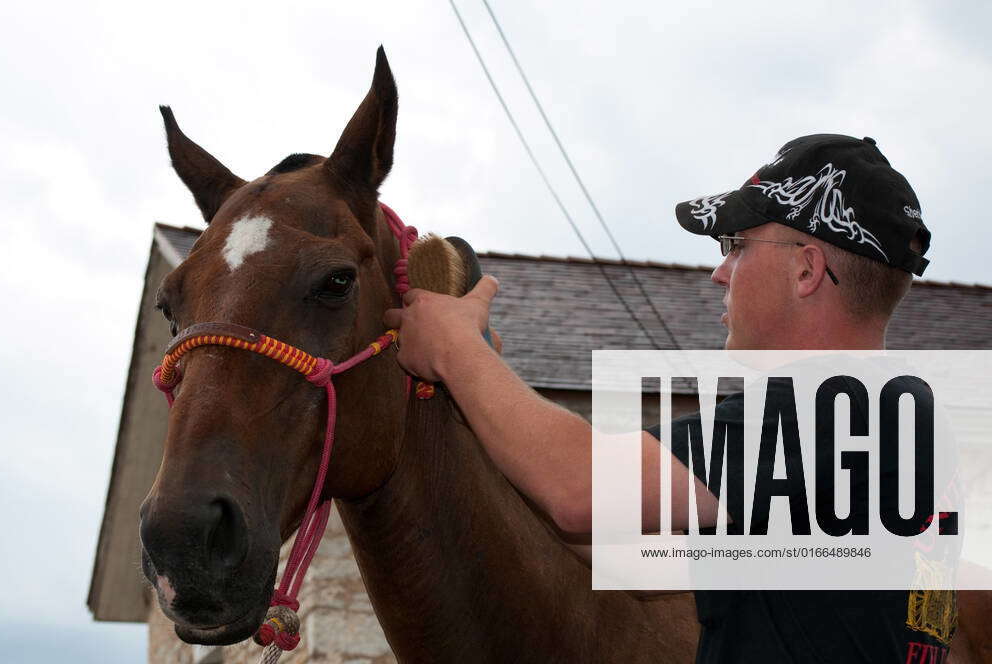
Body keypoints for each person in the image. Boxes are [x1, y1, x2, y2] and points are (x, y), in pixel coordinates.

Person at [383, 134, 952, 663]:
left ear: (806, 269)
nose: (719, 273)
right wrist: (481, 392)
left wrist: (458, 352)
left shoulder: (841, 409)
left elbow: (580, 491)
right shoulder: (903, 422)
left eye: (736, 245)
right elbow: (629, 553)